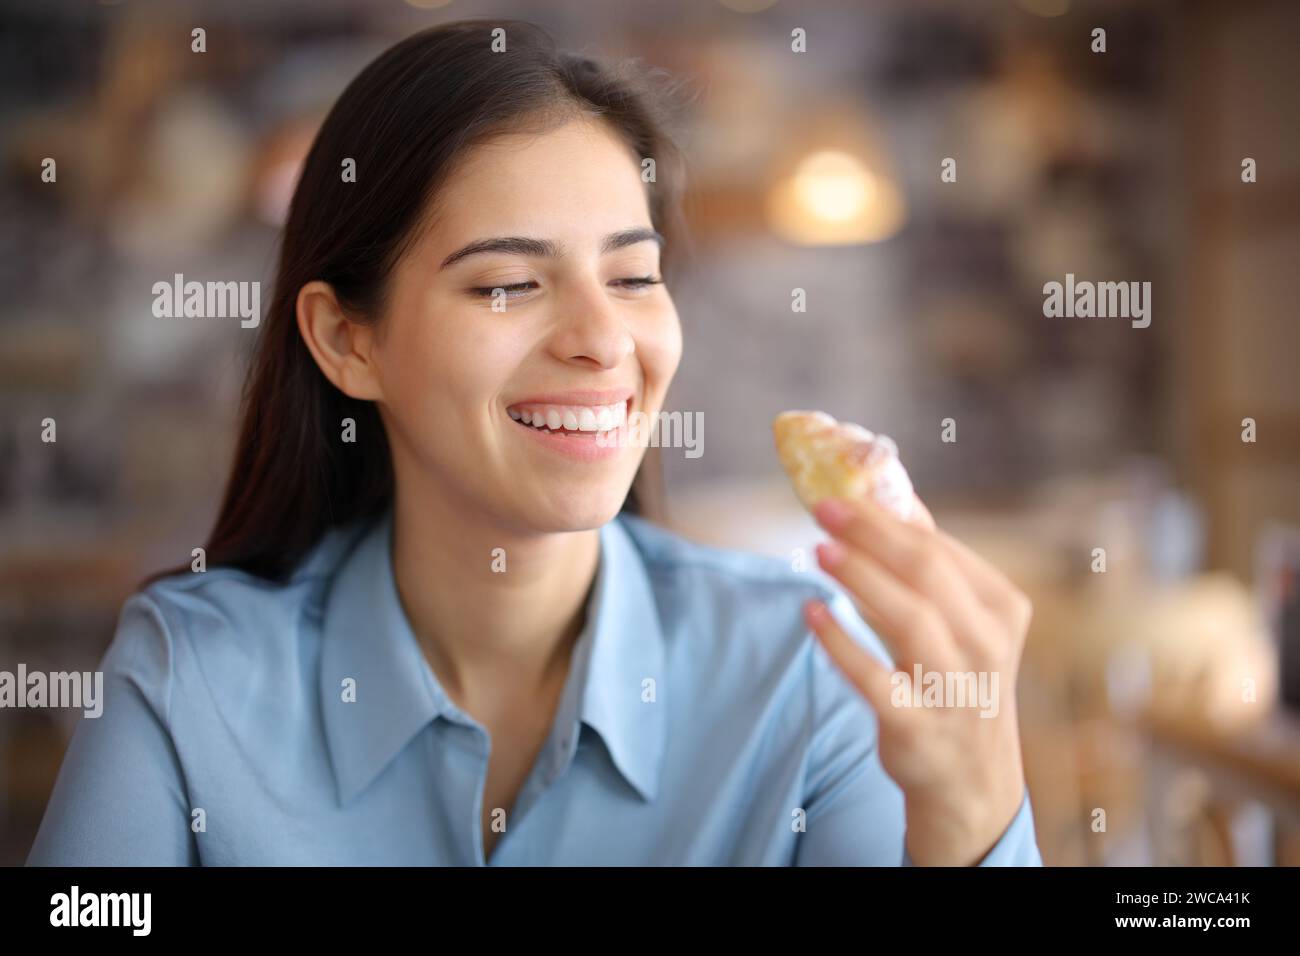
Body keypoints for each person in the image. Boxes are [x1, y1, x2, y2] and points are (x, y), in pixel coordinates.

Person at [28, 19, 1041, 866]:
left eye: (634, 276)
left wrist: (974, 818)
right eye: (508, 283)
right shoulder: (187, 681)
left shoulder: (808, 671)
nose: (601, 339)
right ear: (348, 339)